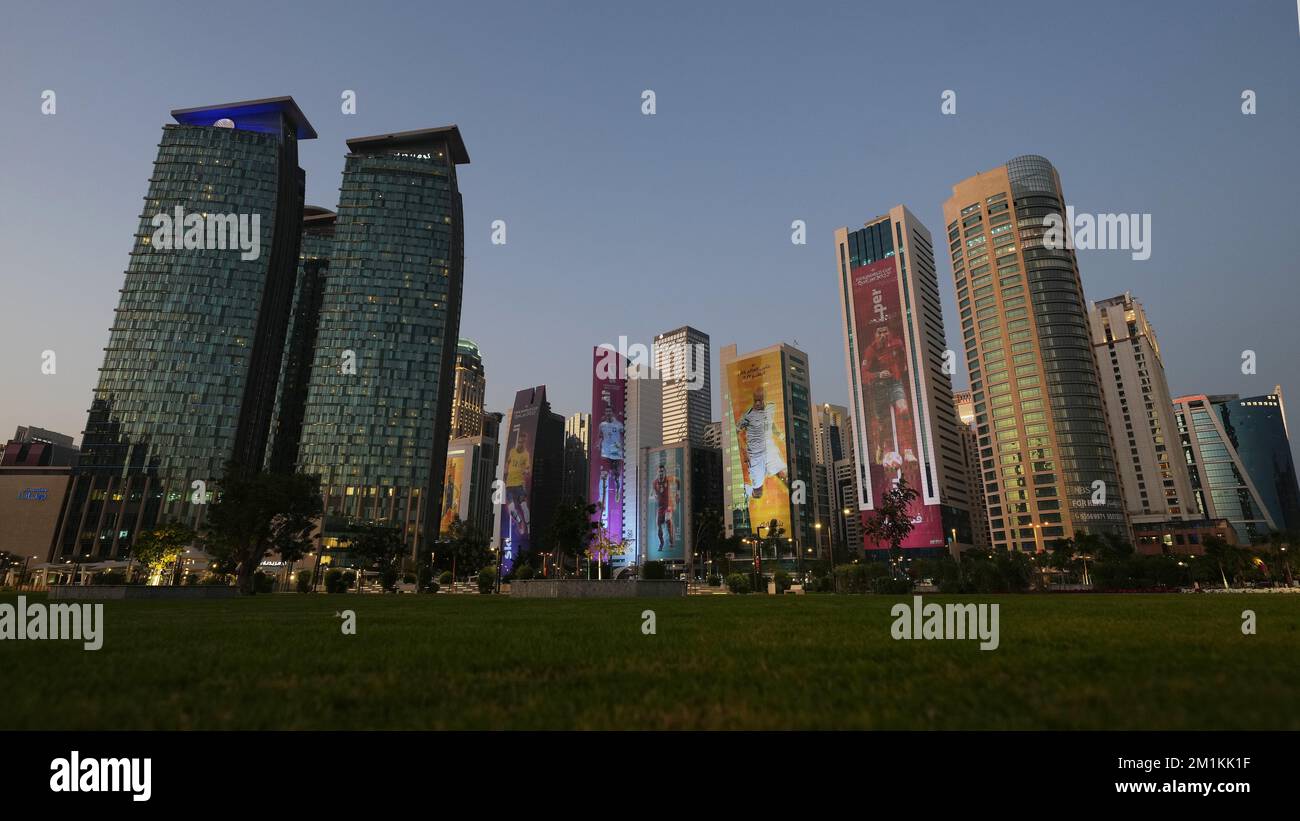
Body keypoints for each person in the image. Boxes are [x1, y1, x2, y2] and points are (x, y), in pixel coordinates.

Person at [861, 324, 916, 469]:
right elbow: (863, 374)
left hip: (895, 383)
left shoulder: (897, 343)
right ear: (875, 334)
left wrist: (899, 369)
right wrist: (878, 375)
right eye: (879, 332)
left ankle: (908, 450)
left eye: (885, 331)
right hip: (879, 388)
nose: (883, 335)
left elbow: (904, 359)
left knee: (903, 411)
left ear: (889, 332)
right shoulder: (870, 350)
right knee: (883, 423)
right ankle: (883, 447)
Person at [735, 386, 787, 501]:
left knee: (781, 472)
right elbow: (736, 431)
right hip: (756, 454)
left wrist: (782, 437)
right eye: (756, 400)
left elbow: (771, 426)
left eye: (760, 400)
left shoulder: (770, 409)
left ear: (764, 399)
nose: (758, 403)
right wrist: (743, 450)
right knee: (772, 475)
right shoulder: (747, 415)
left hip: (766, 450)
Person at [504, 430, 532, 541]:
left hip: (519, 485)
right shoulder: (512, 451)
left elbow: (528, 468)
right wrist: (506, 468)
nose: (521, 443)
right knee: (511, 509)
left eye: (523, 442)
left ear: (525, 442)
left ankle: (528, 527)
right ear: (518, 442)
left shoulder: (526, 454)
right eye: (519, 442)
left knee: (524, 507)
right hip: (509, 485)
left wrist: (526, 471)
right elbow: (508, 461)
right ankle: (520, 522)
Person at [652, 461, 680, 553]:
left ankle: (671, 541)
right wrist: (654, 496)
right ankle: (661, 543)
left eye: (662, 471)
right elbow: (653, 493)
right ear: (657, 472)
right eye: (659, 471)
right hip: (660, 508)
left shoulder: (668, 479)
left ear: (665, 472)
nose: (661, 473)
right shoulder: (655, 482)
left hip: (668, 506)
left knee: (668, 522)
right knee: (659, 525)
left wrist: (677, 494)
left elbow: (678, 481)